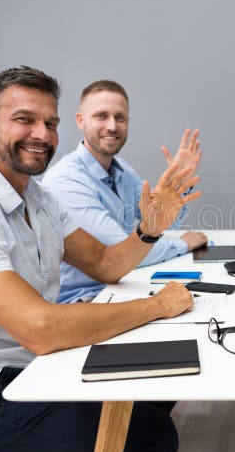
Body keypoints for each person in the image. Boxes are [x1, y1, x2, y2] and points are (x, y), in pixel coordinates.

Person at [0, 66, 201, 452]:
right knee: (150, 437)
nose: (42, 134)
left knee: (158, 381)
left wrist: (149, 230)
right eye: (25, 119)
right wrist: (157, 306)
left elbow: (103, 263)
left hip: (31, 366)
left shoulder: (39, 198)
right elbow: (41, 329)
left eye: (50, 123)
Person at [43, 80, 208, 303]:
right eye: (101, 116)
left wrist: (180, 180)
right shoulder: (65, 181)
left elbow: (164, 221)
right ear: (80, 121)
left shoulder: (123, 170)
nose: (112, 126)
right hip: (87, 300)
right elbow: (121, 252)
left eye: (120, 117)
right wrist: (183, 244)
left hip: (126, 283)